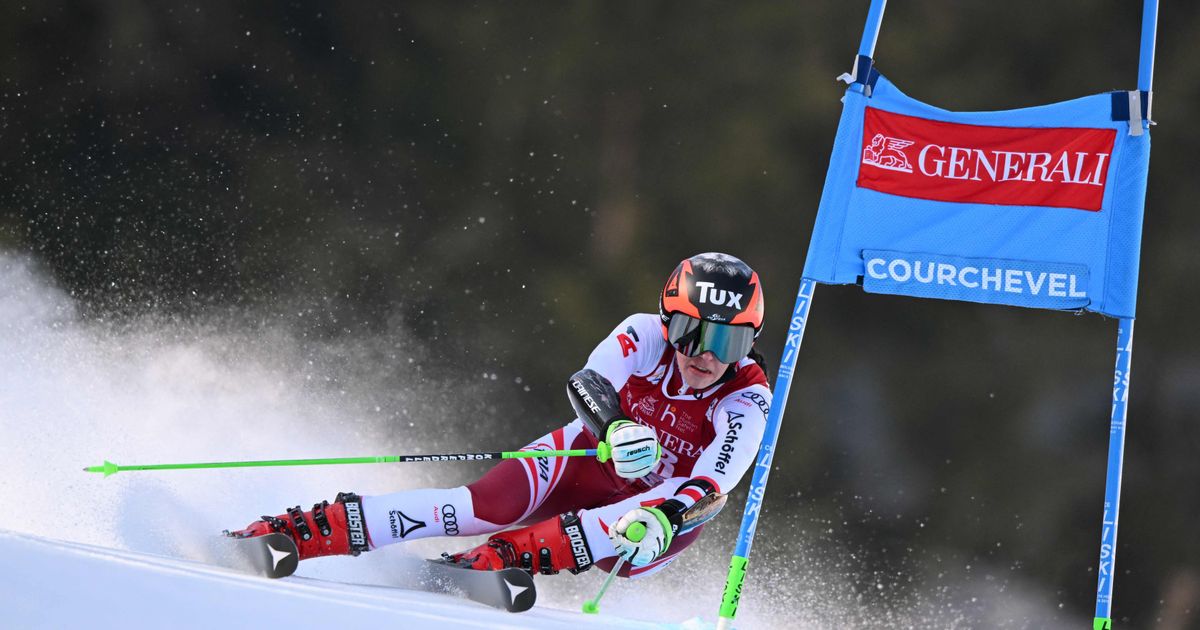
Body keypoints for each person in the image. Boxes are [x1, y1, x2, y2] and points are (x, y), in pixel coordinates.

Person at [229, 252, 771, 579]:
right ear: (666, 320)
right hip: (588, 459)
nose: (706, 354)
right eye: (690, 332)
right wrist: (615, 427)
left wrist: (668, 515)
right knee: (477, 505)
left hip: (651, 524)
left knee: (624, 521)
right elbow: (588, 382)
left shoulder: (748, 396)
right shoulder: (642, 334)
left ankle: (506, 556)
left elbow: (715, 481)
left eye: (729, 340)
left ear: (751, 341)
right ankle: (305, 530)